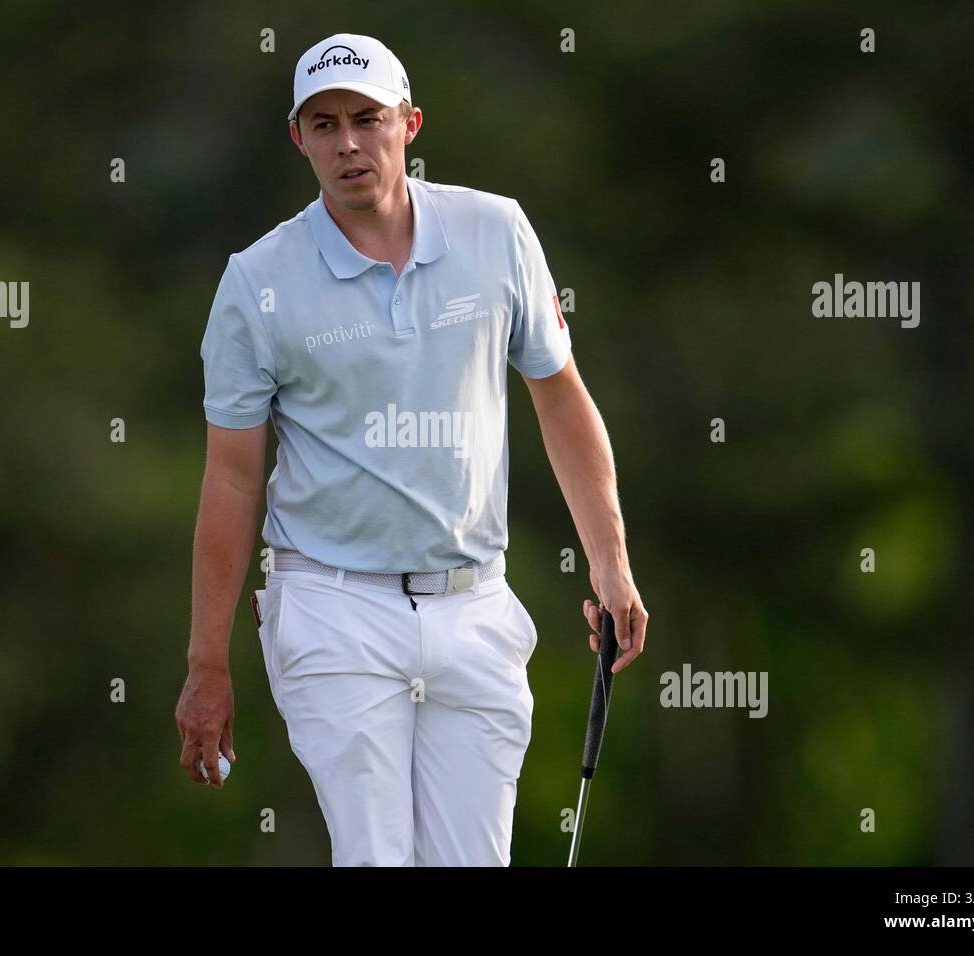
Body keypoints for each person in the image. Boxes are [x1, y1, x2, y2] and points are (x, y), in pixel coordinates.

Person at [176, 32, 649, 866]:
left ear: (410, 124)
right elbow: (232, 477)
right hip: (329, 606)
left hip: (475, 604)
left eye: (367, 118)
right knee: (374, 855)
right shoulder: (257, 282)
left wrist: (610, 567)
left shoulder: (495, 232)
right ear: (299, 138)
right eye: (323, 124)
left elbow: (561, 399)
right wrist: (206, 662)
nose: (348, 142)